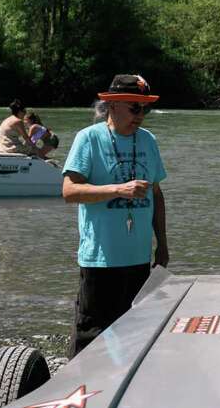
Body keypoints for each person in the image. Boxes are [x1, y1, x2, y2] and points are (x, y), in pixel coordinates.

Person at [62, 74, 168, 357]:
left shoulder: (148, 141)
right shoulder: (88, 139)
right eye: (135, 108)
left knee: (134, 335)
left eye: (144, 109)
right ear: (112, 105)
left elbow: (156, 194)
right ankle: (79, 391)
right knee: (92, 337)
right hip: (101, 259)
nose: (141, 116)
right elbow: (69, 191)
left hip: (138, 258)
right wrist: (118, 189)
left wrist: (163, 246)